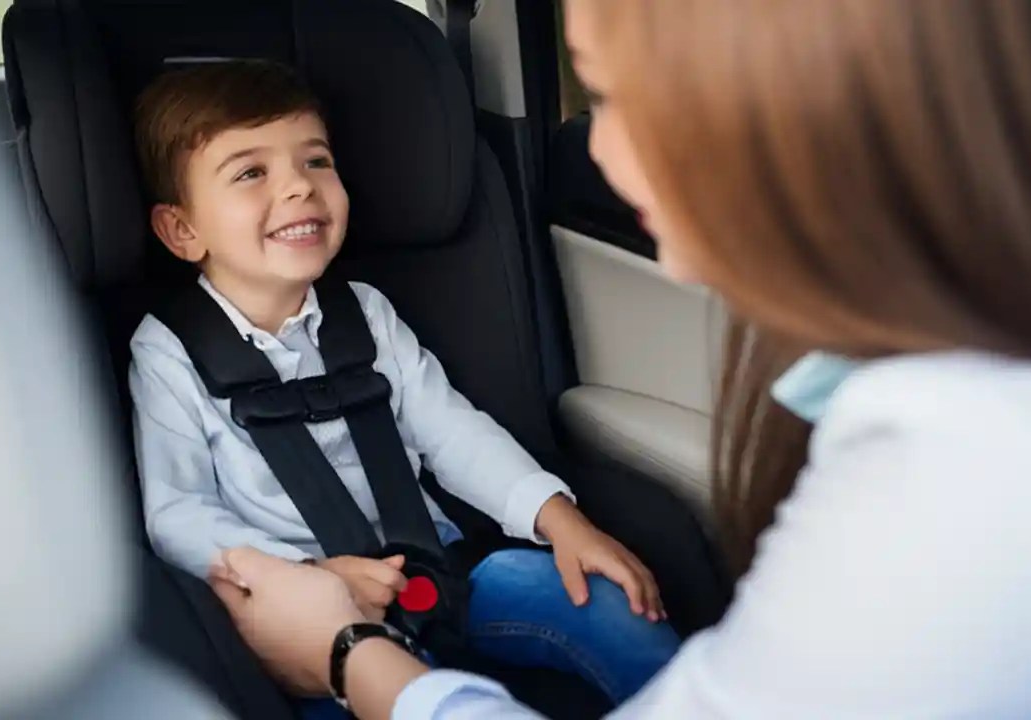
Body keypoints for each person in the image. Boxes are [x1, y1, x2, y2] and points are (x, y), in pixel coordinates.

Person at [206, 0, 1031, 717]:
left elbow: (450, 428)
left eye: (613, 98)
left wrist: (355, 654)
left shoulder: (961, 485)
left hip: (431, 573)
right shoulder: (932, 409)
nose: (597, 153)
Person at [126, 60, 684, 718]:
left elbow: (450, 431)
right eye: (252, 172)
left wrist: (562, 522)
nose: (300, 189)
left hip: (440, 569)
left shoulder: (365, 312)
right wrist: (302, 579)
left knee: (613, 610)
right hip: (312, 621)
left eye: (316, 162)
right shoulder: (166, 351)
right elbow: (178, 513)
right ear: (182, 230)